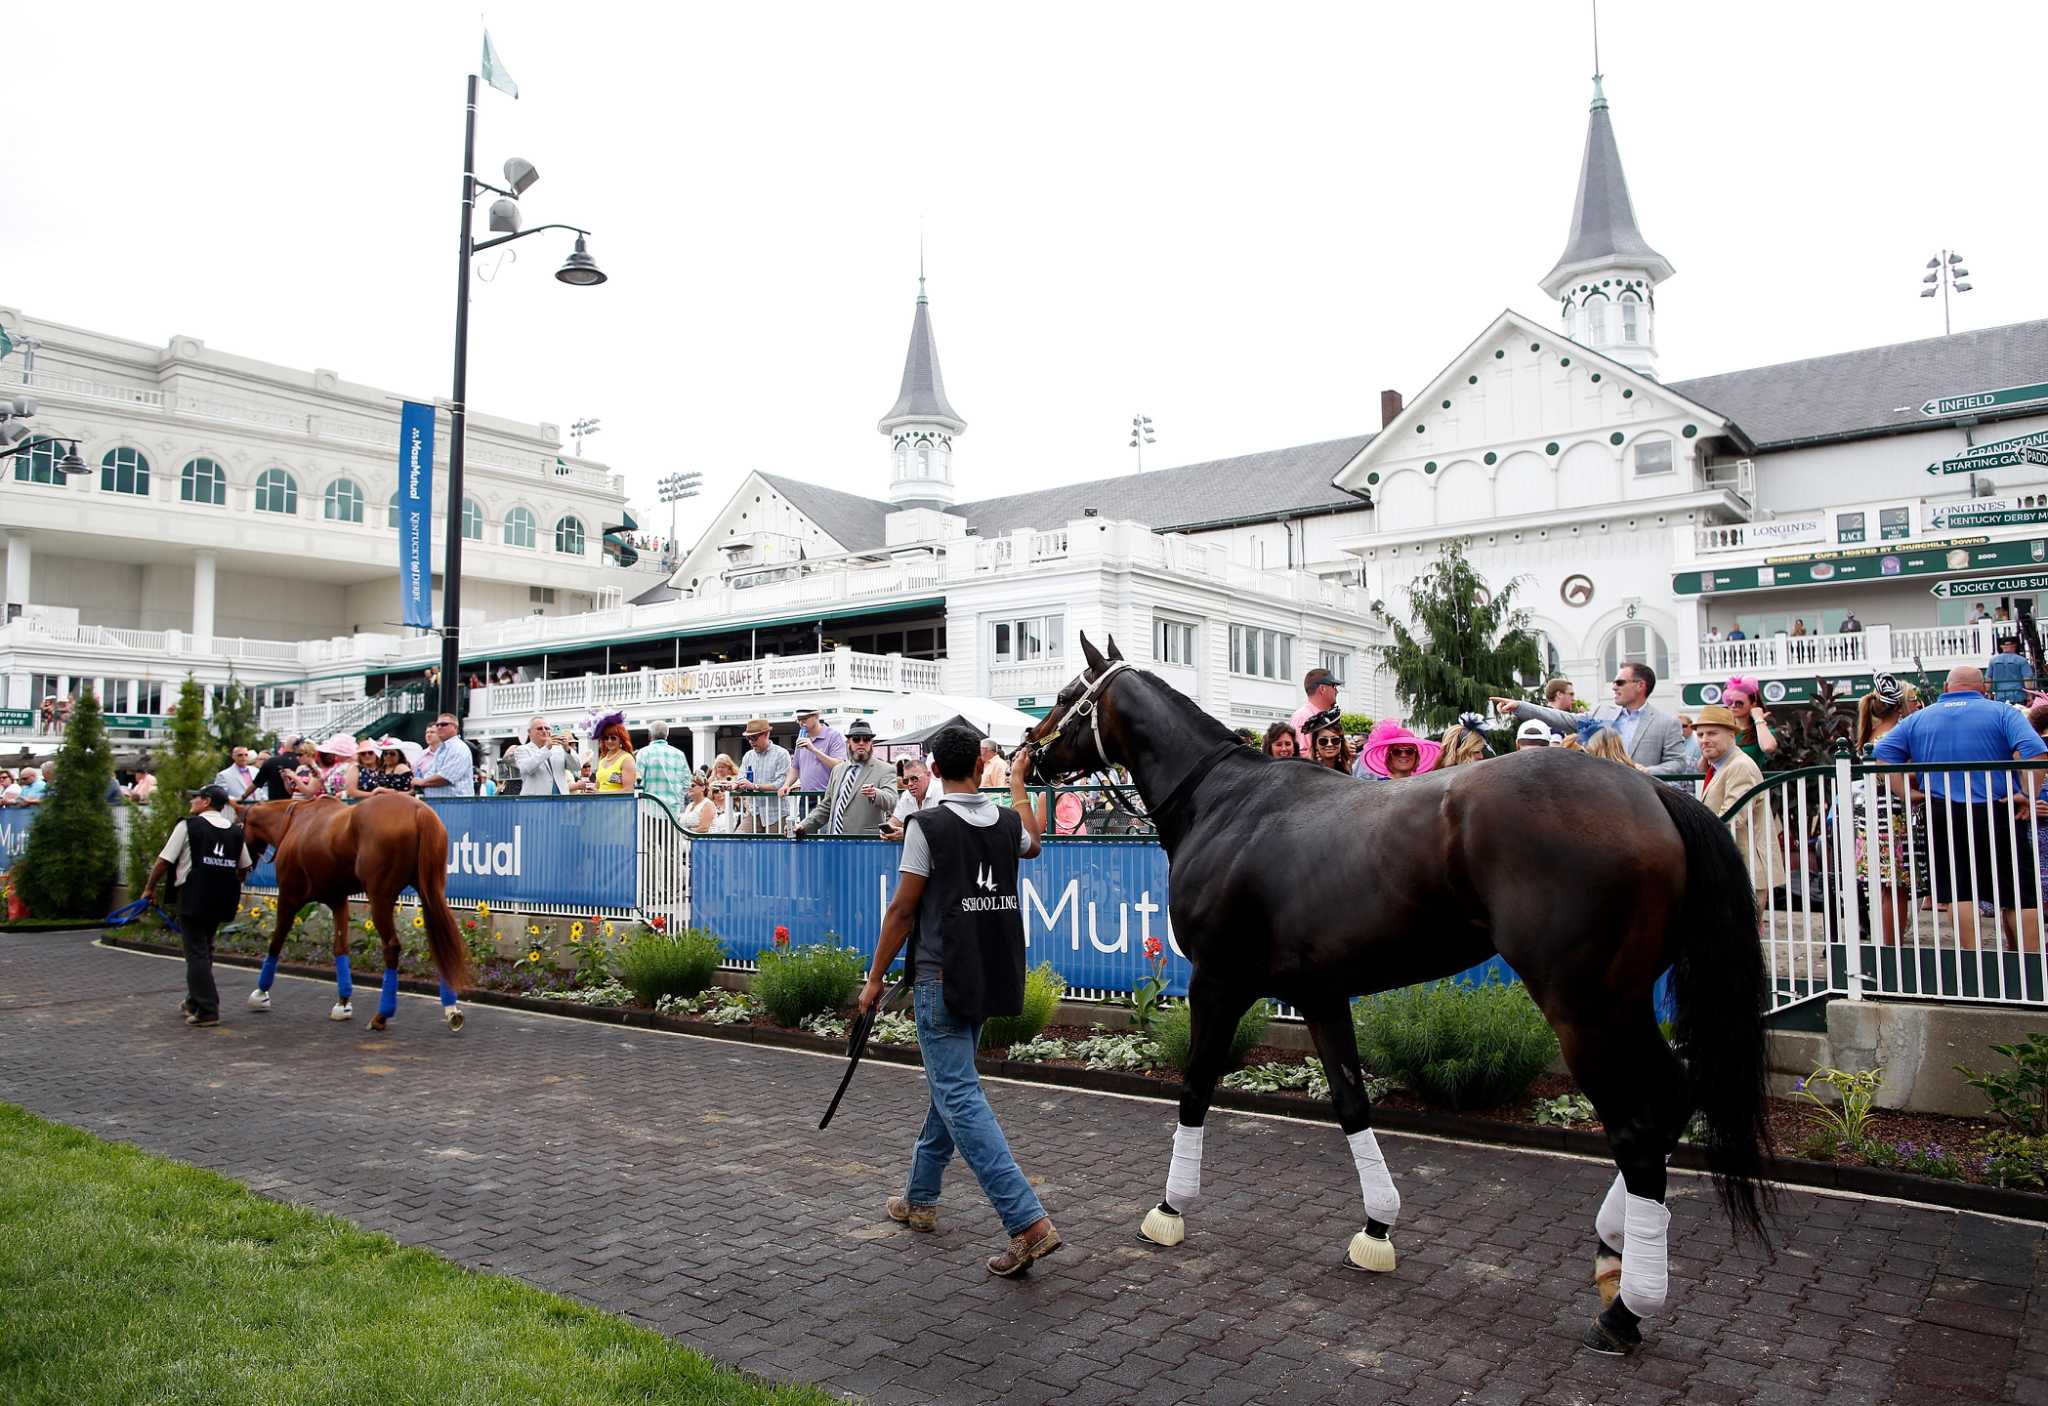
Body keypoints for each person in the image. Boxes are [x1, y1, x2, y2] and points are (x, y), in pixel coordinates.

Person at [855, 725, 1060, 1277]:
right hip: (987, 972)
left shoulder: (927, 825)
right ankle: (919, 1199)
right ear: (977, 763)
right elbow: (1035, 842)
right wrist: (1017, 781)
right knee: (952, 1086)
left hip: (939, 975)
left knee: (958, 1093)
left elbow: (902, 911)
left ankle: (1027, 1222)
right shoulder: (1005, 821)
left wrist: (873, 979)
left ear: (935, 770)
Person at [1874, 665, 2048, 950]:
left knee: (1958, 890)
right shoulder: (2003, 713)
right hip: (1999, 810)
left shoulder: (1918, 719)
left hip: (1944, 811)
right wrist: (2028, 793)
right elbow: (2037, 752)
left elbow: (1884, 756)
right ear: (1984, 689)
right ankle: (2030, 966)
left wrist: (1907, 794)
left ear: (1945, 688)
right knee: (2019, 891)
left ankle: (1973, 963)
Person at [141, 785, 254, 1029]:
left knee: (196, 953)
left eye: (197, 797)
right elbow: (245, 866)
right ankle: (194, 1001)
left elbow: (163, 861)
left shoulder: (188, 826)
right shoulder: (235, 832)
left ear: (207, 801)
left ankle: (207, 1010)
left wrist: (149, 888)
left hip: (193, 894)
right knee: (205, 948)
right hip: (222, 897)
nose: (193, 801)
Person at [1496, 662, 1689, 775]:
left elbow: (1678, 763)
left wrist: (1646, 771)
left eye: (1620, 682)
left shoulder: (1666, 723)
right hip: (1601, 799)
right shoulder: (1601, 713)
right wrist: (1519, 706)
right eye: (1614, 682)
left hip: (1642, 805)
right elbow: (1561, 718)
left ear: (1640, 685)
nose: (1614, 687)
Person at [1694, 706, 1782, 904]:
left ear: (1732, 735)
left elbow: (1732, 818)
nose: (1704, 739)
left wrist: (1693, 836)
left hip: (1742, 868)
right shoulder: (1723, 765)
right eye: (1700, 734)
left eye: (1712, 733)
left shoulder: (1740, 765)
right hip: (1733, 866)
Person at [795, 719, 897, 836]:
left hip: (865, 842)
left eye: (866, 739)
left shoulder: (885, 769)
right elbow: (826, 805)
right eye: (856, 739)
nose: (861, 743)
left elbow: (892, 801)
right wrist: (803, 825)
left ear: (871, 743)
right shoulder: (838, 769)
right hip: (835, 839)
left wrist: (876, 794)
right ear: (849, 742)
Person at [737, 719, 791, 832]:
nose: (751, 741)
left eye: (754, 737)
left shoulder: (781, 754)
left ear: (767, 734)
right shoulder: (748, 756)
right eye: (748, 738)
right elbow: (741, 777)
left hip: (777, 814)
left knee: (774, 849)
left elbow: (780, 784)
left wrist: (755, 786)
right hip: (753, 812)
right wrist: (735, 785)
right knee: (737, 841)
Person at [780, 707, 846, 800]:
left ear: (816, 716)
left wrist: (813, 749)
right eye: (799, 720)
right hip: (805, 796)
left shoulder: (833, 735)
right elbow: (795, 767)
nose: (801, 723)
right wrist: (786, 785)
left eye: (805, 718)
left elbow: (840, 765)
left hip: (827, 796)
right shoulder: (801, 737)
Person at [508, 717, 580, 796]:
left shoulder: (558, 749)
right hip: (537, 801)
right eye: (539, 728)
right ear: (529, 732)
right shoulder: (522, 749)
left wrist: (567, 750)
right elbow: (527, 768)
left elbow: (576, 767)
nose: (544, 731)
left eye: (547, 728)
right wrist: (546, 749)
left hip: (560, 800)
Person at [1720, 679, 1780, 770]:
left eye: (1739, 703)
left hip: (1752, 782)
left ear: (1752, 704)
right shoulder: (1725, 731)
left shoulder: (1761, 730)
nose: (1733, 706)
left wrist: (1758, 718)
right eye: (1729, 702)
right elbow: (1702, 768)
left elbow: (1768, 747)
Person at [414, 712, 476, 797]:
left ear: (455, 727)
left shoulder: (458, 748)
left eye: (444, 724)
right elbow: (431, 773)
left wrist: (422, 782)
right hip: (439, 803)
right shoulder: (442, 748)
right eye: (437, 725)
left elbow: (446, 778)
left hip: (455, 804)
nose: (439, 727)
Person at [638, 726, 693, 814]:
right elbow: (687, 783)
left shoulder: (643, 753)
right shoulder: (679, 754)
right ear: (667, 735)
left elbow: (637, 781)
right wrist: (680, 801)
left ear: (650, 735)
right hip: (673, 810)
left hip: (650, 809)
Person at [1290, 668, 1342, 754]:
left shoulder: (1328, 717)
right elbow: (1301, 755)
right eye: (1333, 686)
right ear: (1322, 689)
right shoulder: (1303, 717)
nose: (1336, 691)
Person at [1360, 725, 1441, 779]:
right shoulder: (1378, 788)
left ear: (1416, 756)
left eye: (1409, 751)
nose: (1403, 755)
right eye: (1397, 751)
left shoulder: (1422, 787)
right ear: (1389, 756)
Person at [591, 721, 637, 794]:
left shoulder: (627, 759)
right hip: (601, 804)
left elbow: (628, 790)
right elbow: (598, 787)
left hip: (619, 804)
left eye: (613, 738)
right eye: (606, 738)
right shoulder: (602, 760)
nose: (609, 741)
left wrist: (599, 793)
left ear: (621, 740)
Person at [1988, 634, 2033, 704]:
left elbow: (1988, 678)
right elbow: (2027, 679)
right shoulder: (2021, 660)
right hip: (2018, 696)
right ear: (2015, 645)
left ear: (2001, 646)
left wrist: (1989, 694)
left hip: (2000, 696)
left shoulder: (1993, 661)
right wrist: (2030, 696)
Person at [1304, 708, 1349, 773]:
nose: (1330, 744)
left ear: (1341, 742)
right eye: (1323, 741)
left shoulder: (1348, 767)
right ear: (1315, 744)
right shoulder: (1307, 770)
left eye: (1335, 740)